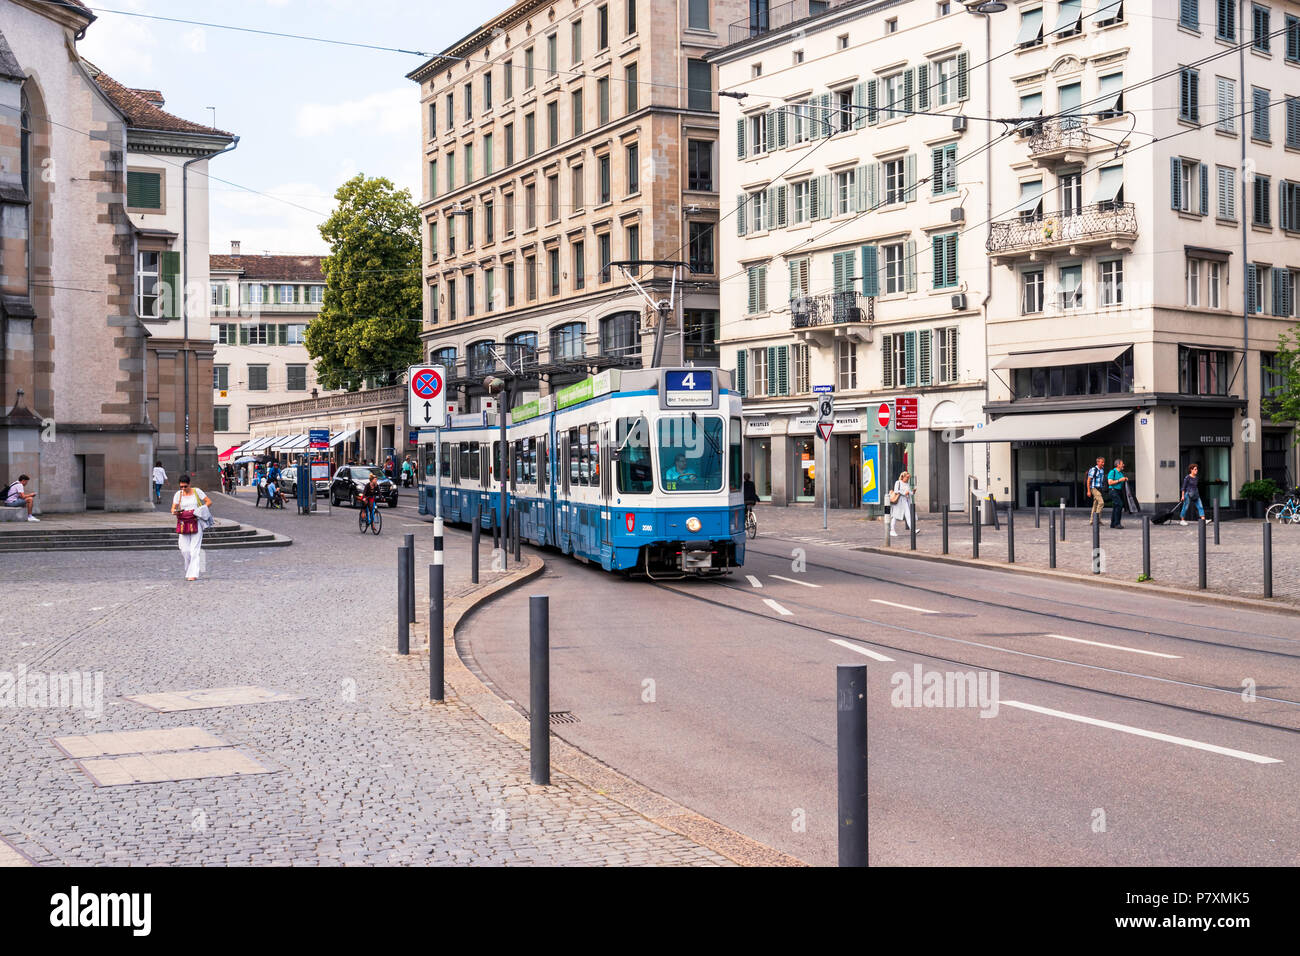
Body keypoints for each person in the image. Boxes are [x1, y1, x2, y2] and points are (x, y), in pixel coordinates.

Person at [170, 474, 211, 581]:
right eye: (181, 487)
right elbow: (173, 508)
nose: (183, 489)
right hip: (183, 523)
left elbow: (209, 502)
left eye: (185, 486)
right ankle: (189, 570)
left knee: (194, 550)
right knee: (185, 550)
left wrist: (200, 510)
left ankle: (193, 573)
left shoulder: (197, 491)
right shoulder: (178, 494)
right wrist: (175, 512)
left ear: (190, 484)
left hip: (196, 521)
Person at [889, 470, 916, 537]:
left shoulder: (907, 484)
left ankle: (913, 529)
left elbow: (909, 493)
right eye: (907, 477)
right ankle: (892, 530)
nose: (907, 479)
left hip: (905, 501)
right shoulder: (898, 482)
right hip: (899, 501)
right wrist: (904, 493)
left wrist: (913, 492)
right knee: (895, 516)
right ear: (902, 477)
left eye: (908, 478)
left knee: (908, 515)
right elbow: (896, 491)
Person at [1107, 458, 1129, 528]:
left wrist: (1125, 479)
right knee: (1119, 504)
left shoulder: (1121, 473)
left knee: (1116, 506)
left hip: (1119, 491)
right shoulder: (1112, 472)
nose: (1123, 465)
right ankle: (1117, 523)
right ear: (1118, 464)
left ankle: (1113, 523)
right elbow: (1110, 482)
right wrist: (1120, 480)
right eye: (1122, 464)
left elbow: (1122, 481)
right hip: (1113, 491)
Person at [1085, 456, 1106, 521]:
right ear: (1098, 462)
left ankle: (1092, 520)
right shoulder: (1093, 469)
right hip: (1094, 488)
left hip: (1099, 489)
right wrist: (1088, 491)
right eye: (1102, 462)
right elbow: (1088, 480)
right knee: (1101, 502)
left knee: (1095, 504)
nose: (1103, 463)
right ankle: (1096, 519)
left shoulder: (1102, 469)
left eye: (1103, 462)